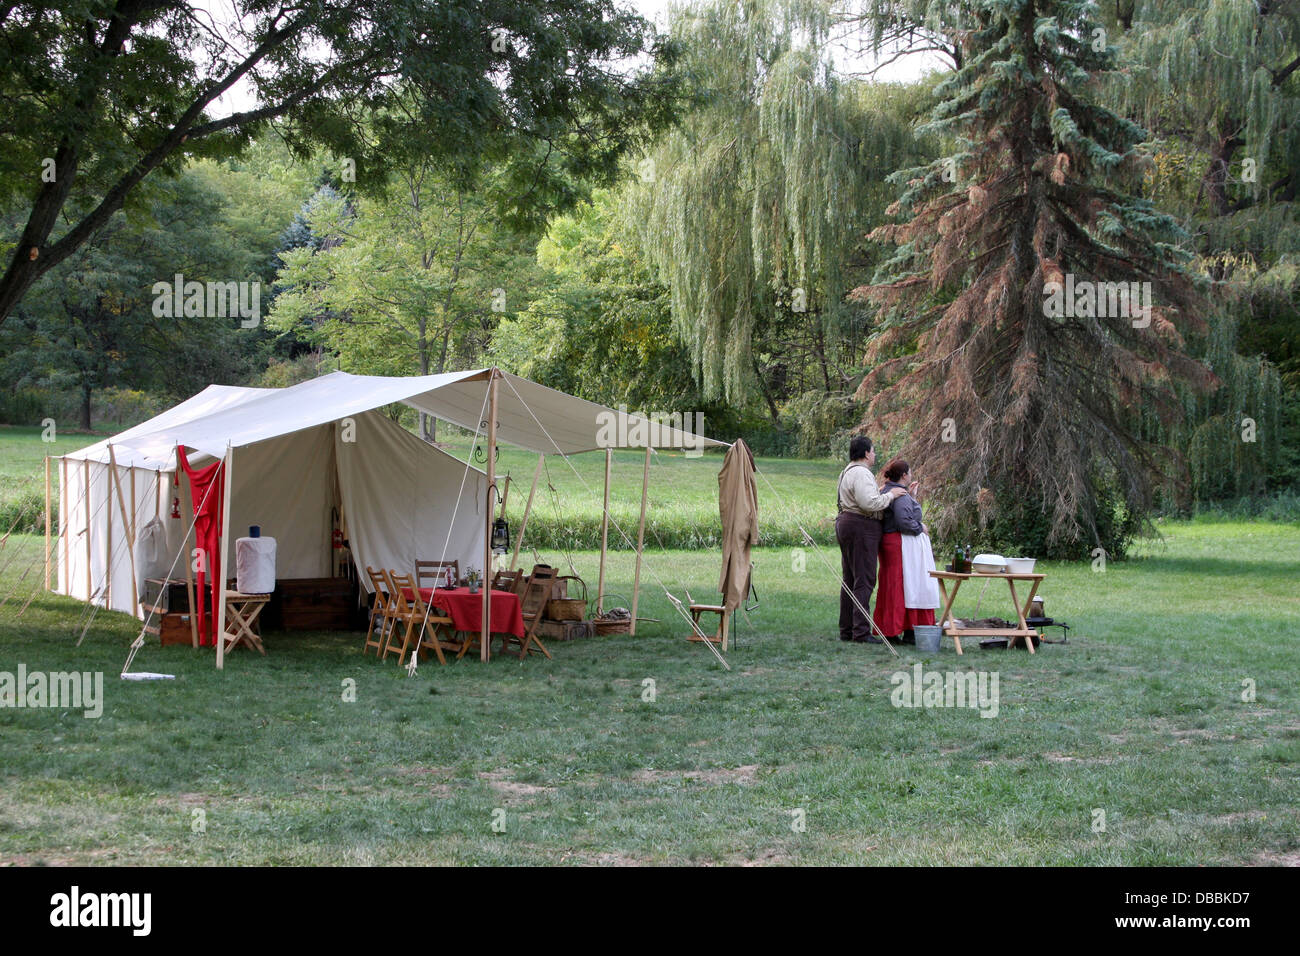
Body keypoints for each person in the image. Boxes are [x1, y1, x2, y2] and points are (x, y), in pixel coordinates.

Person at [836, 436, 906, 643]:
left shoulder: (846, 471)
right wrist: (891, 495)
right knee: (864, 579)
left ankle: (847, 629)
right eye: (873, 451)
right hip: (861, 526)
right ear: (866, 453)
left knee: (850, 579)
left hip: (847, 522)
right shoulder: (861, 473)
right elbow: (869, 503)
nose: (875, 454)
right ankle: (860, 631)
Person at [873, 458, 939, 642]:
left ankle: (894, 628)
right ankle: (896, 630)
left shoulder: (890, 491)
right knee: (902, 585)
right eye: (910, 472)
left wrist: (913, 497)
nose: (911, 475)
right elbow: (904, 521)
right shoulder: (899, 495)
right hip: (899, 544)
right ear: (904, 475)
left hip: (891, 542)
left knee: (894, 584)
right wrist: (920, 527)